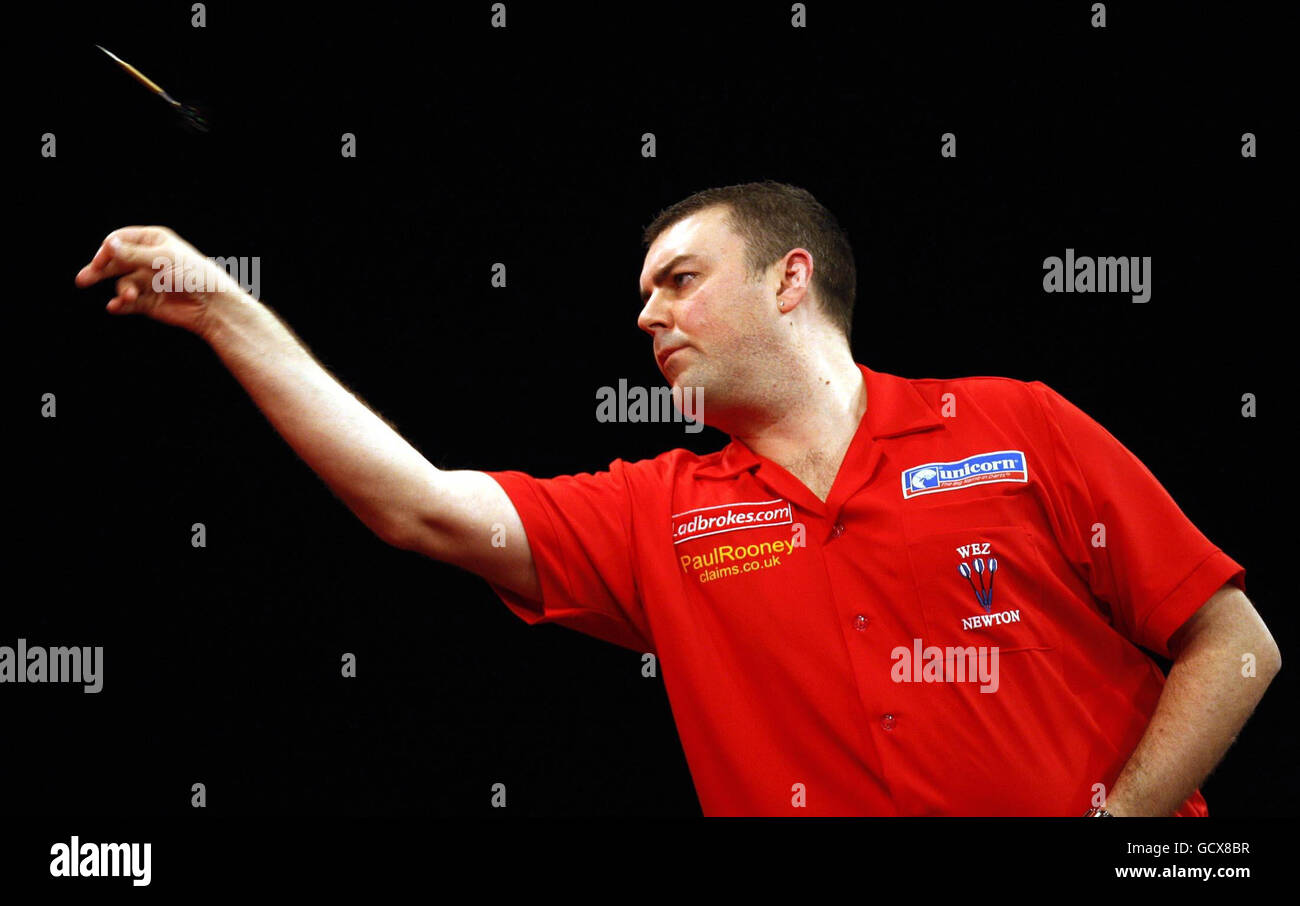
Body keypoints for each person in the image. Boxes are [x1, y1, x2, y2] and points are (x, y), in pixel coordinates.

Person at [74, 180, 1280, 816]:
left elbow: (1235, 643)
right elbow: (422, 506)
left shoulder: (1018, 424)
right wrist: (222, 306)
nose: (646, 316)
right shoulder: (656, 510)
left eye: (680, 281)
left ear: (790, 279)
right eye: (646, 293)